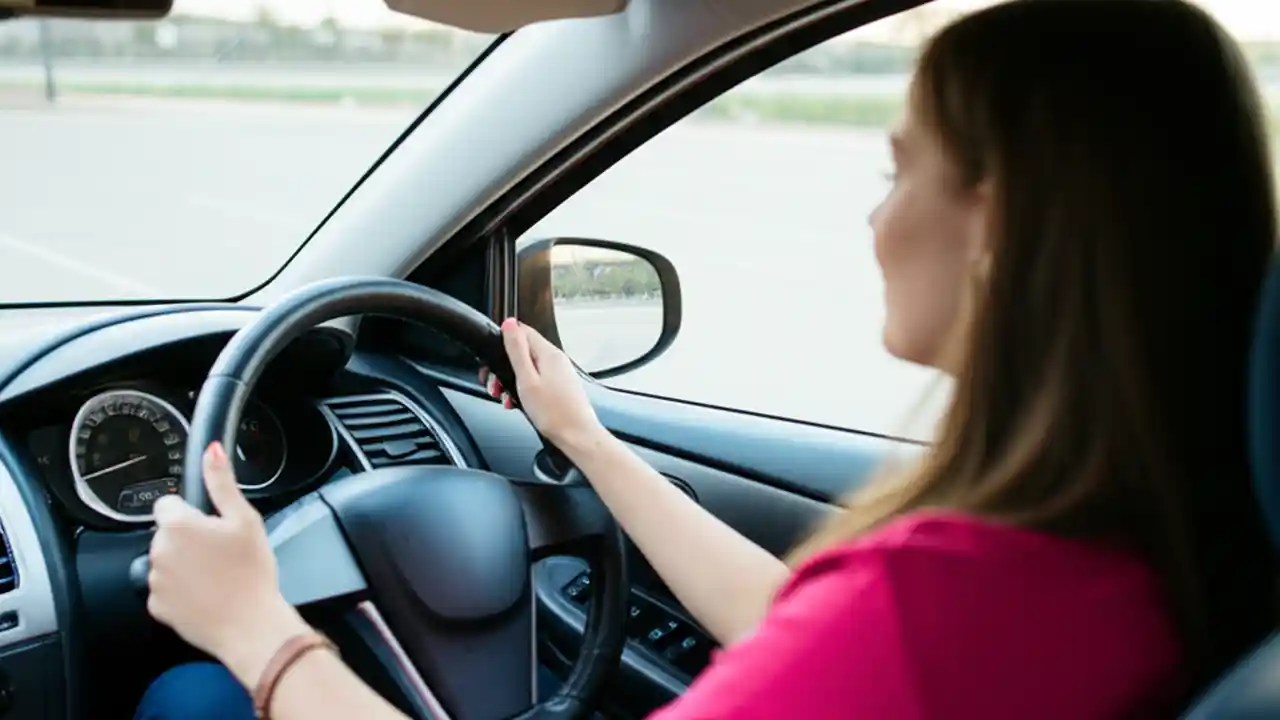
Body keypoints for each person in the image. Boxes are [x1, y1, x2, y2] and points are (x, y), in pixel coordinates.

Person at [134, 1, 1278, 718]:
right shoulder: (1146, 549)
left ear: (997, 225)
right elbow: (809, 636)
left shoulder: (938, 600)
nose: (873, 222)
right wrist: (585, 439)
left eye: (896, 172)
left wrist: (257, 631)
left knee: (192, 698)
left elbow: (866, 643)